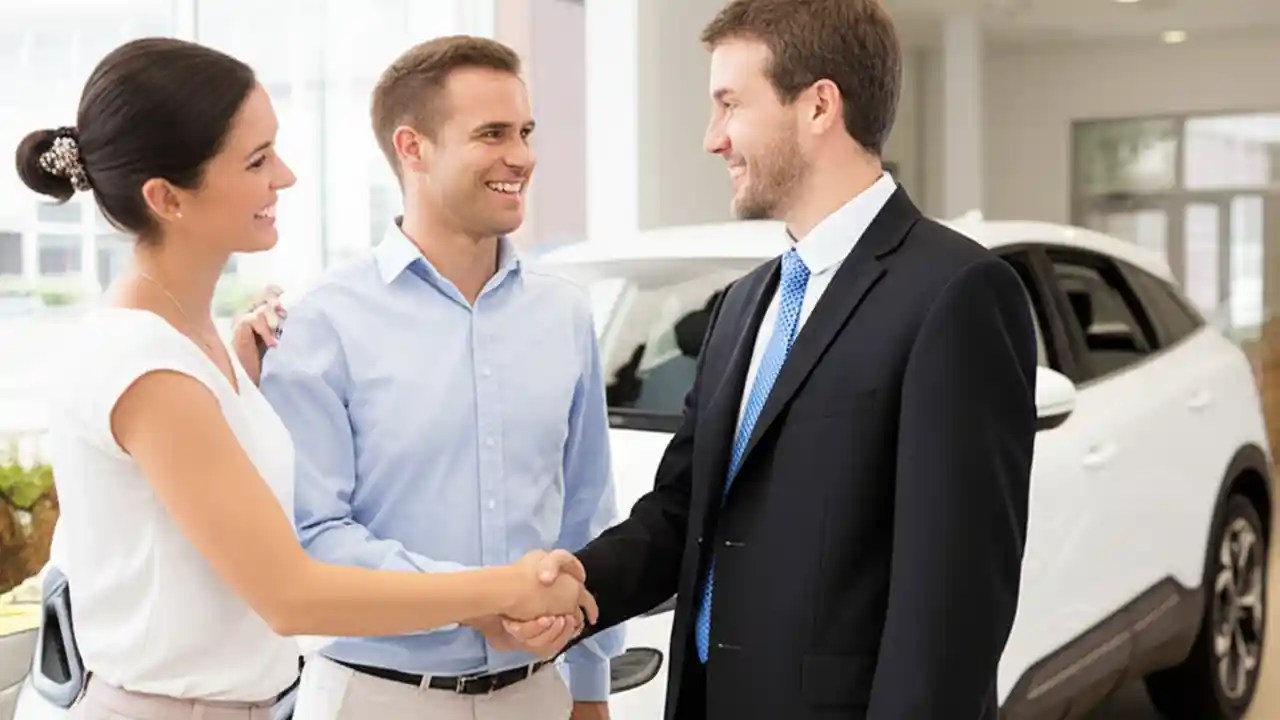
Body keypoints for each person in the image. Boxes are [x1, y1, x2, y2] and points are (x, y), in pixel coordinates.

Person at [18, 37, 594, 720]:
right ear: (168, 198)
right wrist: (500, 590)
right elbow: (292, 594)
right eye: (258, 159)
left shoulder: (212, 351)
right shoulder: (145, 364)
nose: (285, 176)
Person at [512, 1, 1039, 718]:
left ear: (820, 105)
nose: (712, 139)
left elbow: (953, 609)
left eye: (729, 103)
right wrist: (582, 583)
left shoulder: (957, 295)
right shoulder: (742, 305)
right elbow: (683, 508)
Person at [257, 35, 623, 720]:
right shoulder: (322, 323)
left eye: (525, 131)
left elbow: (586, 510)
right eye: (491, 134)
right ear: (412, 148)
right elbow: (313, 533)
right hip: (376, 699)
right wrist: (482, 595)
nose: (521, 156)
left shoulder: (565, 313)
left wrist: (590, 684)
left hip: (541, 697)